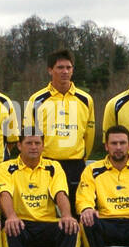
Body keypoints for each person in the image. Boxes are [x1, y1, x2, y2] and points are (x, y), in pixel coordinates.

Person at [23, 48, 97, 203]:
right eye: (60, 67)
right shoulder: (36, 99)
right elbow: (28, 134)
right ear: (50, 70)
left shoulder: (85, 99)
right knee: (45, 210)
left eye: (68, 67)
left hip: (75, 165)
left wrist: (83, 157)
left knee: (75, 212)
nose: (65, 71)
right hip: (46, 163)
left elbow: (89, 134)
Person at [0, 129, 79, 247]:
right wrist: (11, 216)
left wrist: (66, 215)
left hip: (48, 223)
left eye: (37, 143)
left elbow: (60, 193)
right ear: (19, 145)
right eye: (29, 143)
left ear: (43, 146)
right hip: (21, 223)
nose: (33, 147)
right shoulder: (6, 167)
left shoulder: (53, 166)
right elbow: (4, 194)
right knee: (11, 229)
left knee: (71, 229)